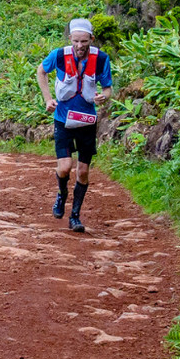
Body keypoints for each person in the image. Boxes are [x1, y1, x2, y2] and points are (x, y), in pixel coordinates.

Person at [34, 18, 114, 232]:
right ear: (70, 39)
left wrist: (103, 98)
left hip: (87, 121)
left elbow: (107, 88)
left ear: (92, 39)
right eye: (76, 41)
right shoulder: (59, 55)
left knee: (83, 172)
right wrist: (47, 99)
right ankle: (62, 195)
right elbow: (41, 71)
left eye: (85, 42)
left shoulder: (101, 59)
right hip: (63, 120)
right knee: (65, 168)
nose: (80, 46)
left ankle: (75, 216)